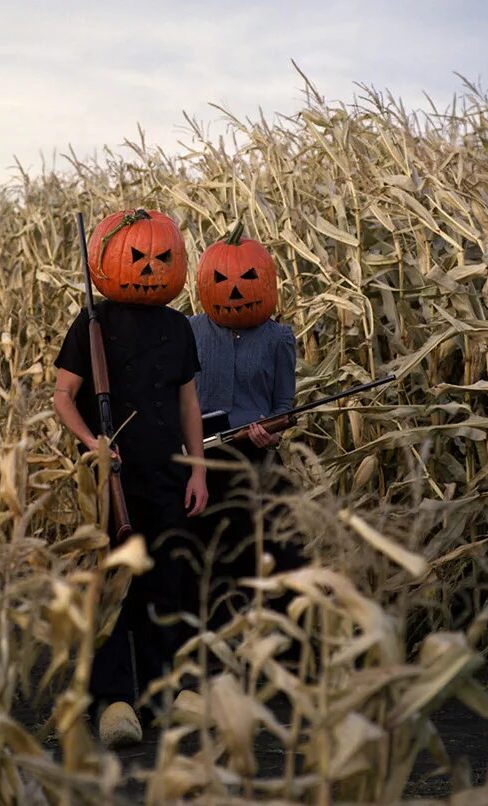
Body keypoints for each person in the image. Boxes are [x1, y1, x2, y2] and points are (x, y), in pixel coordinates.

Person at [52, 208, 208, 745]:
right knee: (113, 591)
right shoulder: (92, 323)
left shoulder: (177, 326)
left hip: (168, 474)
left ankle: (171, 694)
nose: (148, 268)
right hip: (111, 482)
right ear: (107, 259)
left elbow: (189, 401)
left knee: (169, 583)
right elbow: (62, 397)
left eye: (161, 259)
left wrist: (198, 469)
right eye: (137, 257)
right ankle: (115, 702)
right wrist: (93, 444)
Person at [188, 224, 301, 629]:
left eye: (248, 279)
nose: (234, 291)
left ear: (266, 282)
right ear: (204, 283)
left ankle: (280, 640)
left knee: (278, 549)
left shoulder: (278, 338)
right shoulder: (190, 332)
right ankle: (215, 641)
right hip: (201, 462)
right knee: (210, 555)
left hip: (255, 459)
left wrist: (271, 433)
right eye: (221, 281)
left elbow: (284, 407)